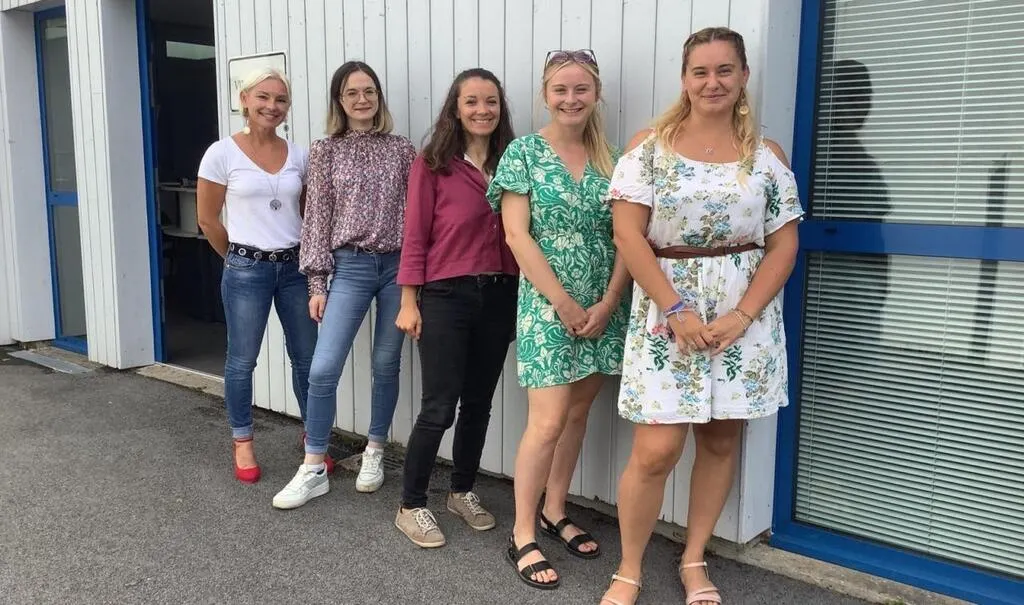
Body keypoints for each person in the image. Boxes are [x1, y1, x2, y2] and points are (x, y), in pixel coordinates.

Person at [601, 27, 803, 605]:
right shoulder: (650, 147)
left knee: (719, 442)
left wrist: (742, 315)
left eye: (724, 70)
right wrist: (676, 308)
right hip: (670, 314)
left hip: (744, 319)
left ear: (742, 77)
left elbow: (783, 245)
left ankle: (694, 559)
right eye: (700, 72)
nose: (712, 82)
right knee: (656, 450)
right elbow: (628, 234)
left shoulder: (766, 157)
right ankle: (629, 567)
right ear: (685, 79)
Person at [486, 49, 630, 590]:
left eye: (581, 90)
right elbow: (517, 235)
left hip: (602, 303)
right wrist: (565, 304)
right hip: (548, 304)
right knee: (546, 420)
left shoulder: (613, 159)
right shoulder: (523, 153)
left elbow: (626, 237)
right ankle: (523, 533)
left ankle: (555, 509)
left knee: (576, 415)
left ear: (595, 95)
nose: (571, 99)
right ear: (546, 95)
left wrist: (608, 302)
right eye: (560, 90)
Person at [271, 61, 416, 509]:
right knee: (322, 367)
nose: (361, 99)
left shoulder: (403, 150)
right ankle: (314, 465)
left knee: (385, 362)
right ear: (339, 100)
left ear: (379, 97)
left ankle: (374, 450)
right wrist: (317, 282)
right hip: (348, 267)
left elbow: (416, 219)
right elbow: (316, 218)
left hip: (396, 268)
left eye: (369, 90)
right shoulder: (325, 150)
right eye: (351, 92)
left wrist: (415, 279)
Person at [392, 68, 518, 548]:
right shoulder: (434, 163)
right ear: (456, 108)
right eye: (472, 101)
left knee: (479, 404)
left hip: (500, 294)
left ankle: (461, 491)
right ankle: (412, 504)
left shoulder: (514, 162)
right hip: (446, 295)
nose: (482, 110)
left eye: (490, 101)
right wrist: (409, 299)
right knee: (439, 406)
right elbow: (416, 234)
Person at [196, 68, 320, 484]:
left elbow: (307, 215)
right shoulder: (221, 154)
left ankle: (313, 440)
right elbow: (208, 220)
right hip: (246, 267)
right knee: (242, 360)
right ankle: (243, 440)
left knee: (307, 358)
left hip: (294, 268)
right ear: (245, 100)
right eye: (263, 97)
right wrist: (235, 259)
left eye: (281, 99)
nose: (272, 106)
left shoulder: (300, 155)